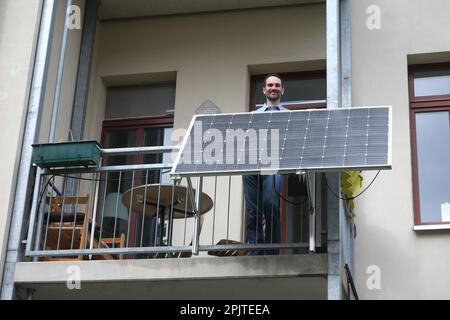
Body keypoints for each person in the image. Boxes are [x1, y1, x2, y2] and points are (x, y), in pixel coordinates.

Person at [243, 73, 288, 255]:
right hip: (252, 165)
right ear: (264, 90)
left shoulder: (289, 116)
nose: (273, 88)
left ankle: (271, 250)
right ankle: (256, 250)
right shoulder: (252, 116)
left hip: (275, 165)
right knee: (253, 211)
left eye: (277, 85)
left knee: (270, 203)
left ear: (282, 90)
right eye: (270, 85)